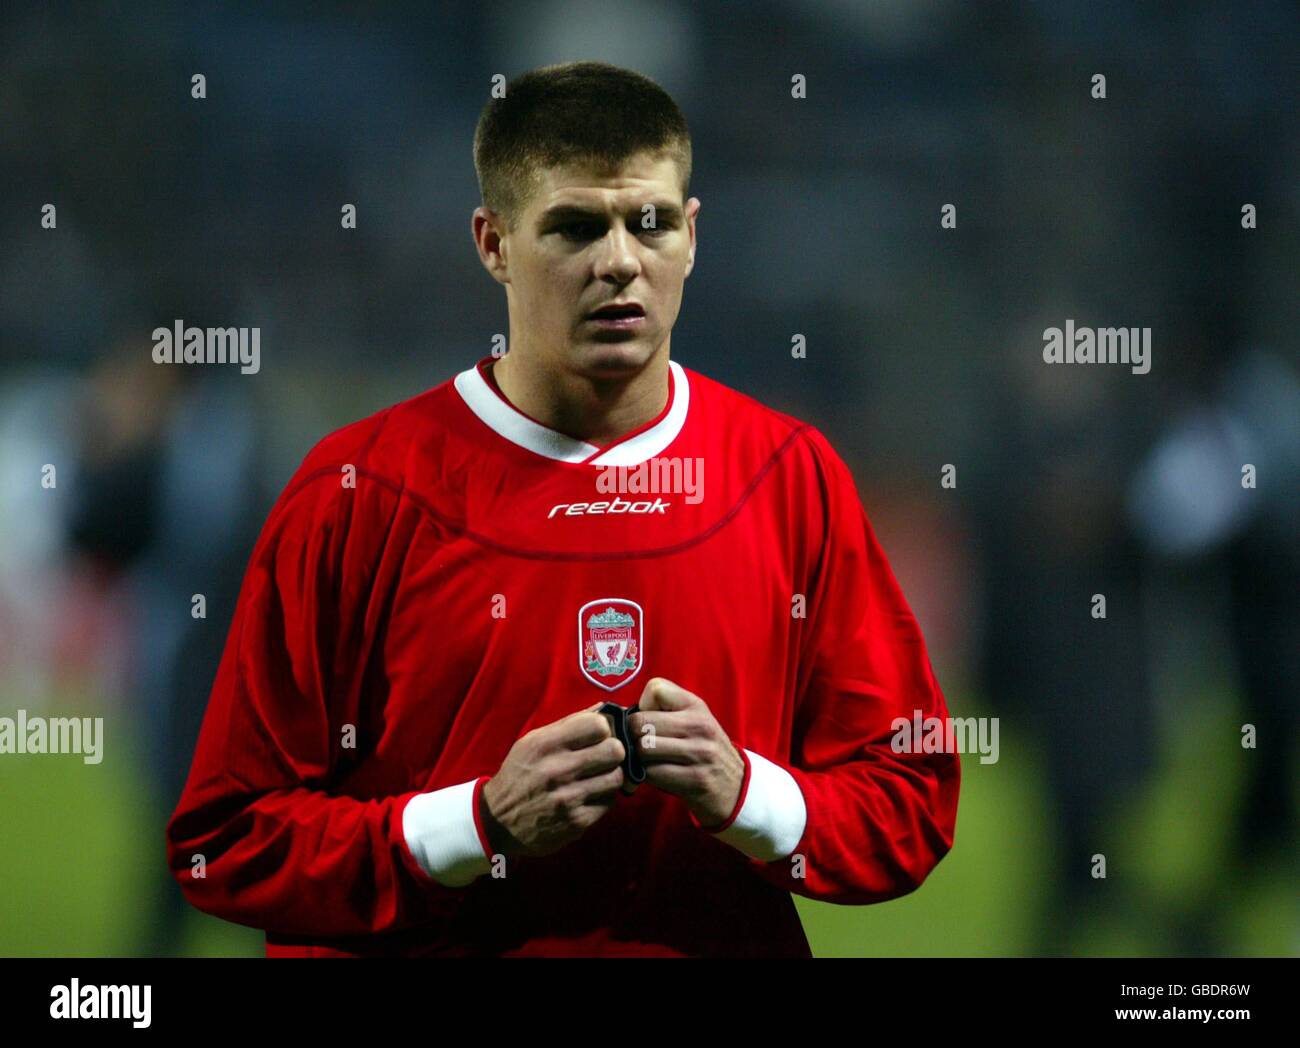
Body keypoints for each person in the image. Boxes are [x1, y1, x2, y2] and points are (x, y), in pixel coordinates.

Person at [165, 60, 960, 957]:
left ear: (692, 238)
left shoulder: (787, 476)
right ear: (493, 242)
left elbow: (912, 800)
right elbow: (223, 843)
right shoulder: (361, 488)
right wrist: (475, 824)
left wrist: (747, 796)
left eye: (650, 223)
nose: (620, 260)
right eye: (576, 226)